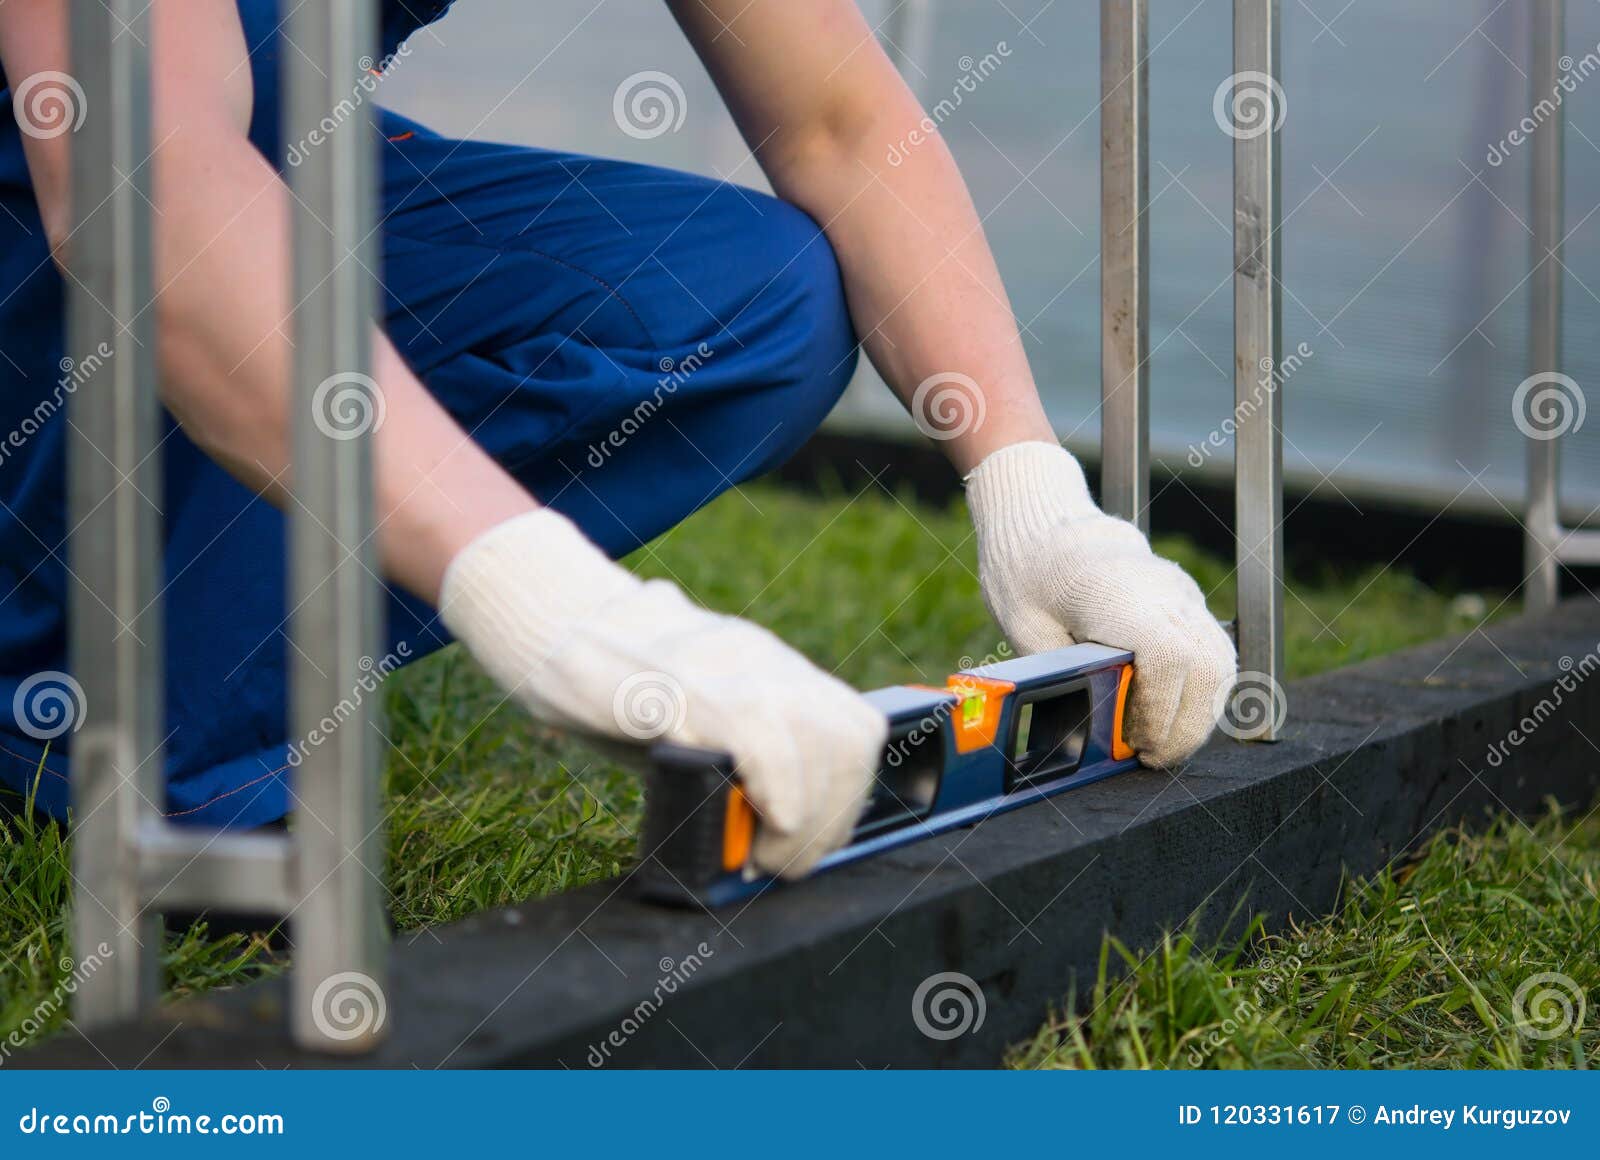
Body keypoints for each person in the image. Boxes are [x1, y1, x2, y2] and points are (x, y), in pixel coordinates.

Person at [0, 0, 1235, 879]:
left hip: (247, 168)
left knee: (753, 298)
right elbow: (146, 197)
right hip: (80, 198)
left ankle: (161, 706)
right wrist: (540, 595)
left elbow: (840, 122)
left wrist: (1031, 490)